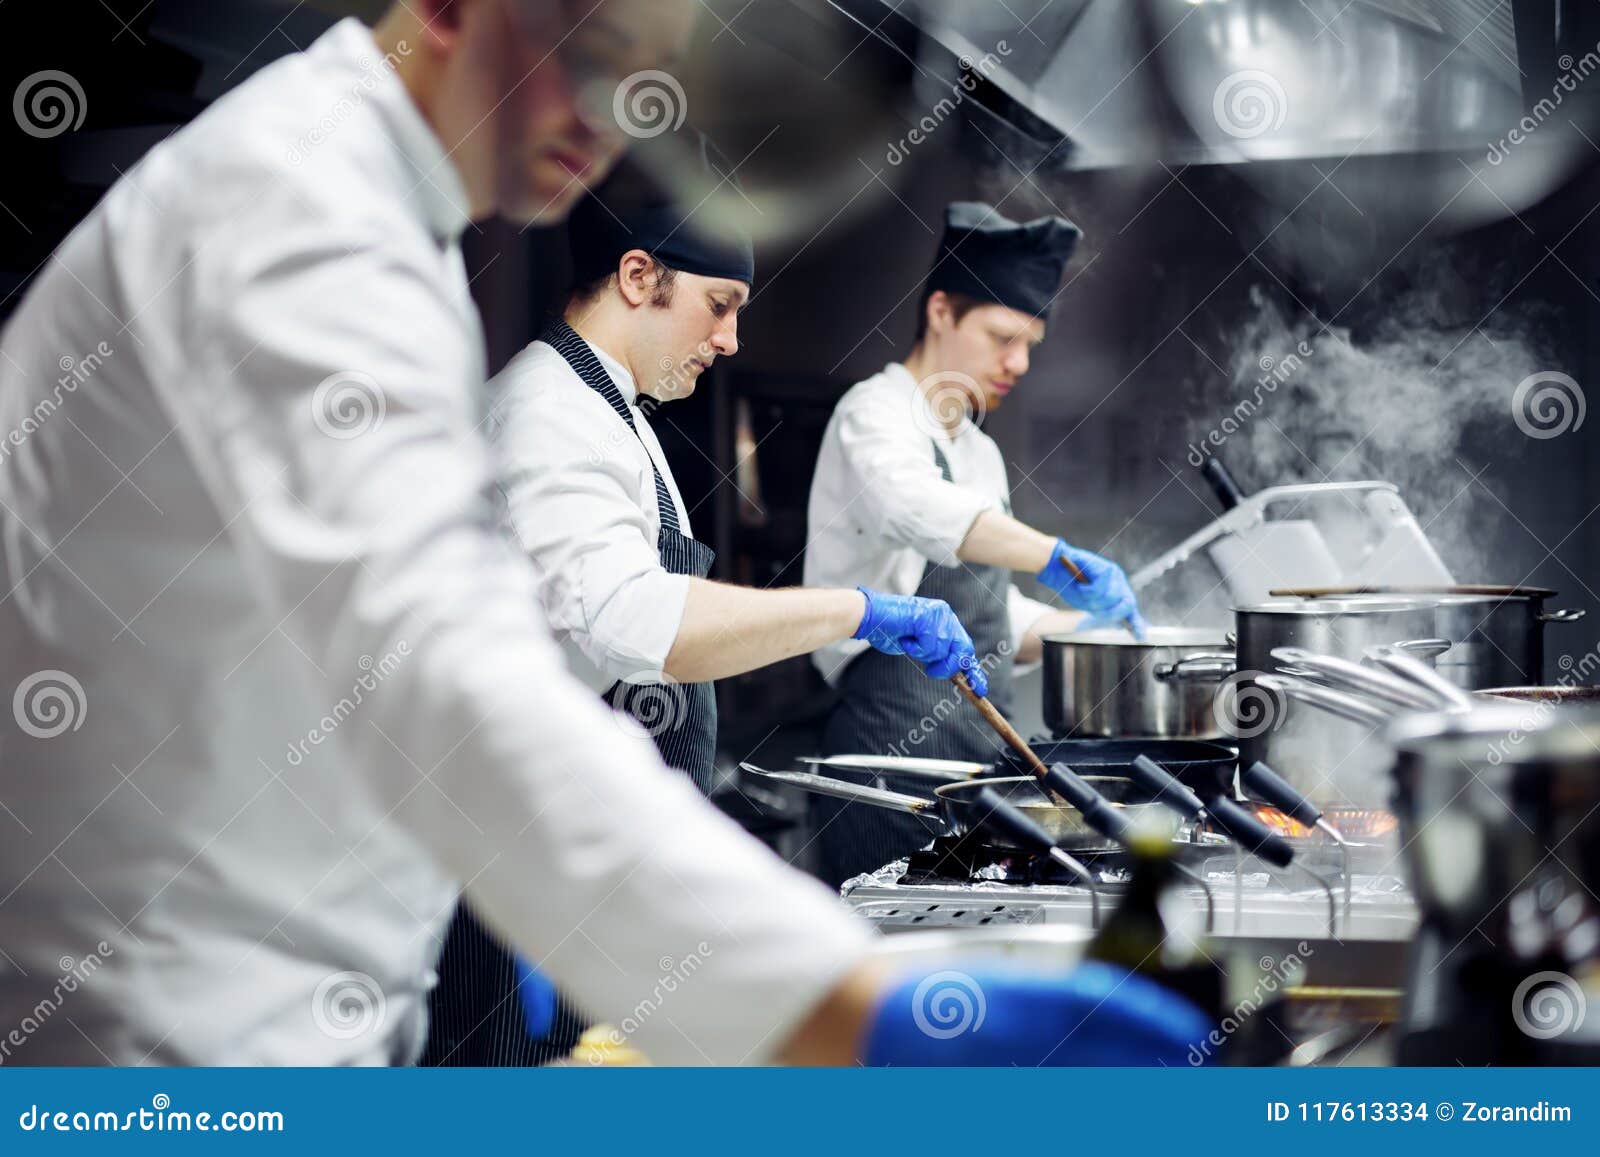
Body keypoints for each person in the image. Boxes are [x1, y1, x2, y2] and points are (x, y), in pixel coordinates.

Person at [0, 0, 1204, 1067]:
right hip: (173, 1044)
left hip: (297, 995)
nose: (619, 109)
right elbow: (456, 676)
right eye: (592, 45)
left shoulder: (371, 216)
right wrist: (844, 1003)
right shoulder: (300, 224)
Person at [427, 137, 987, 1064]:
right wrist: (853, 609)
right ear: (638, 275)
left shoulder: (616, 414)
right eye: (720, 306)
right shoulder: (547, 415)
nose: (731, 339)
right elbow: (644, 621)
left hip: (585, 874)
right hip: (519, 885)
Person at [803, 201, 1149, 885]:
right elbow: (915, 506)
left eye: (1030, 346)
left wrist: (1093, 634)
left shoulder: (982, 454)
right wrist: (1056, 554)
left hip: (975, 766)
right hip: (888, 762)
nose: (1018, 363)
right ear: (941, 312)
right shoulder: (873, 413)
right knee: (896, 970)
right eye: (1001, 337)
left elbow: (989, 615)